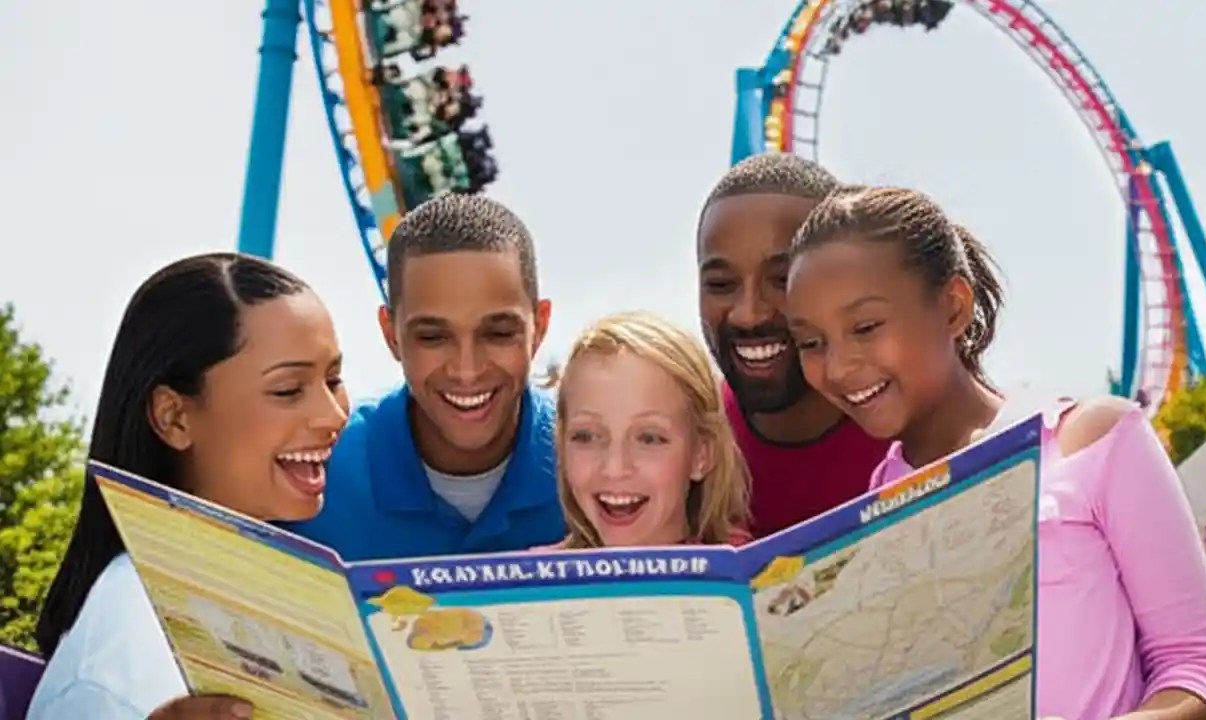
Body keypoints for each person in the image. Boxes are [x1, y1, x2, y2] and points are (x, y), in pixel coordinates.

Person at [784, 185, 1206, 720]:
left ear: (954, 308)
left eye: (865, 327)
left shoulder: (1092, 440)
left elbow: (1204, 675)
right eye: (811, 342)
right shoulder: (878, 504)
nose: (839, 366)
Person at [28, 253, 349, 719]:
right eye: (287, 390)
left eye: (334, 379)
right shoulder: (131, 639)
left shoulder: (261, 599)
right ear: (173, 416)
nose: (334, 415)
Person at [284, 194, 566, 560]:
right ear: (391, 335)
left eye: (497, 333)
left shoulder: (598, 467)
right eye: (433, 337)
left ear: (539, 327)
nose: (467, 370)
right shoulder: (317, 470)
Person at [696, 152, 889, 538]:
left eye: (782, 280)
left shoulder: (907, 434)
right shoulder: (680, 448)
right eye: (720, 285)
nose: (748, 314)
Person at [545, 311, 752, 549]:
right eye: (586, 437)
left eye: (649, 439)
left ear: (702, 453)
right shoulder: (527, 581)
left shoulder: (757, 578)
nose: (615, 468)